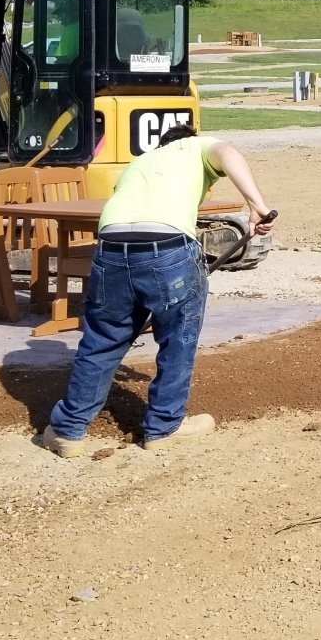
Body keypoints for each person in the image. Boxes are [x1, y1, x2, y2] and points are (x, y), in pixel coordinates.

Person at [36, 124, 274, 456]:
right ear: (189, 139)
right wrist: (256, 206)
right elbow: (228, 151)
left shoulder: (140, 163)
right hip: (168, 248)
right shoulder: (195, 147)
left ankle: (68, 431)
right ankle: (164, 427)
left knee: (102, 340)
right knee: (178, 340)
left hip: (111, 247)